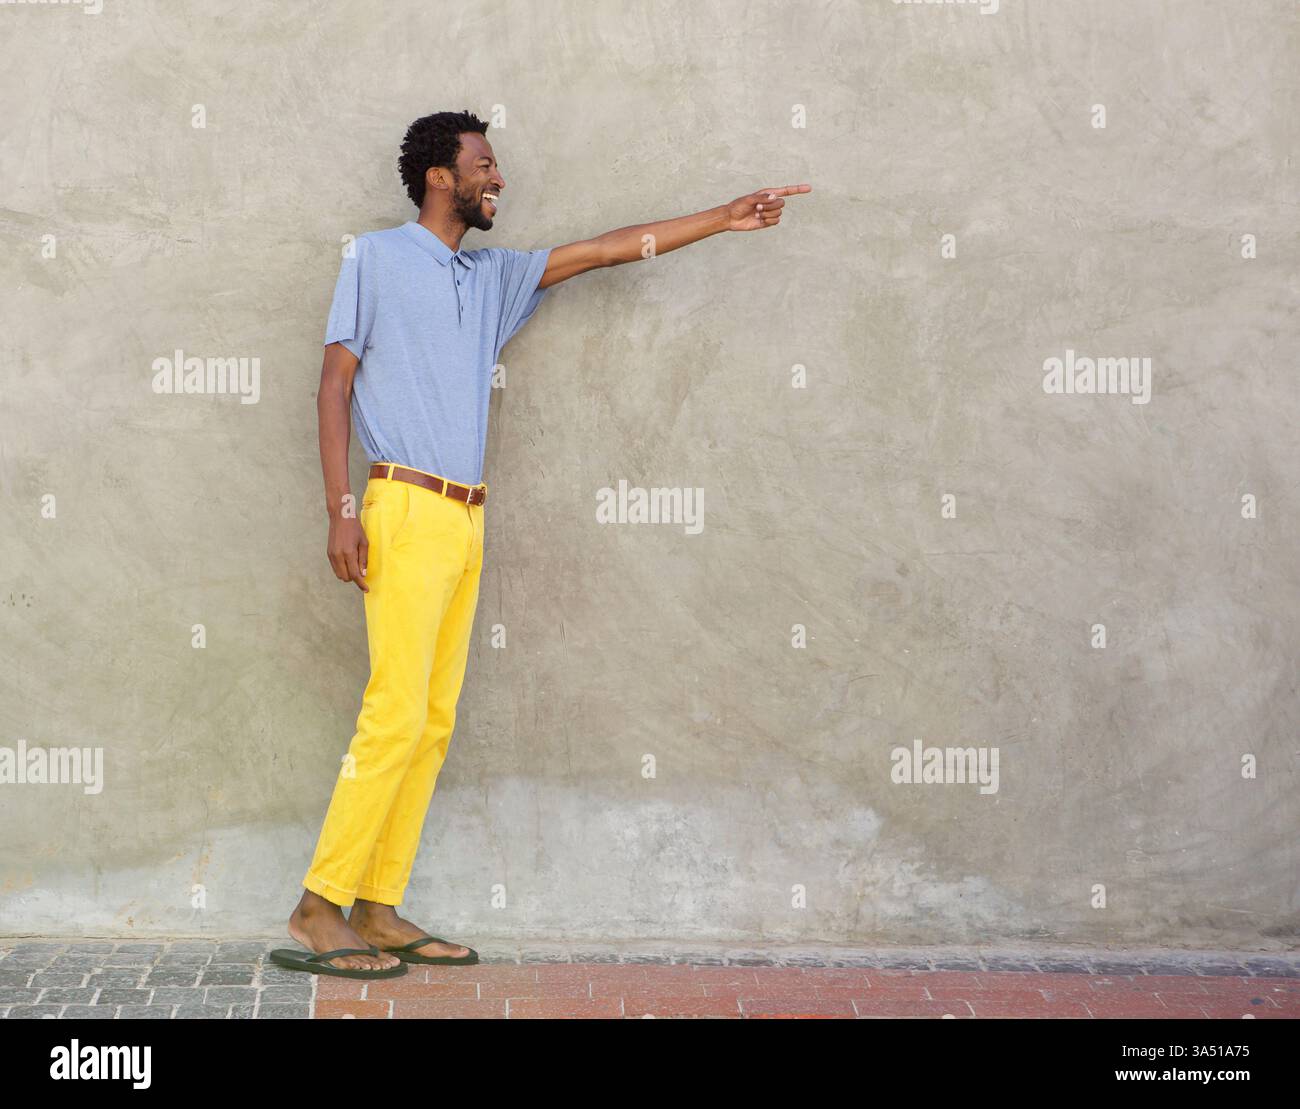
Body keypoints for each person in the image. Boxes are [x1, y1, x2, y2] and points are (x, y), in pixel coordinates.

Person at [271, 109, 810, 977]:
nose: (499, 179)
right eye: (484, 164)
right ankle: (316, 904)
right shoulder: (373, 257)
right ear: (440, 176)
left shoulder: (492, 278)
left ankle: (376, 904)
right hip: (400, 506)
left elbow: (602, 250)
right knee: (394, 712)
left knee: (433, 723)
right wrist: (342, 507)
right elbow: (334, 384)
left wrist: (720, 218)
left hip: (467, 517)